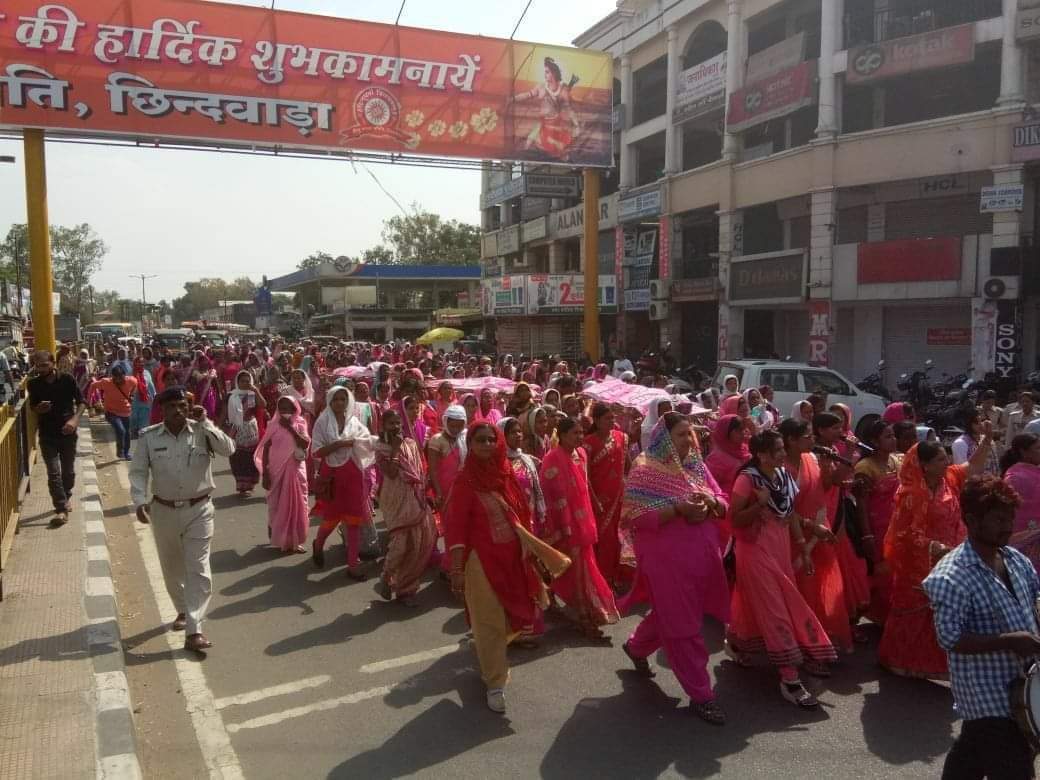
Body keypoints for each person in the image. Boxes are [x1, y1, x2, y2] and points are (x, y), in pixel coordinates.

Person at [444, 422, 570, 714]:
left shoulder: (506, 475)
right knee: (488, 621)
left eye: (491, 440)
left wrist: (531, 551)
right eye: (480, 440)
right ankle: (495, 682)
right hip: (481, 563)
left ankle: (490, 657)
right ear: (470, 444)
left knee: (512, 616)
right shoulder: (465, 481)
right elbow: (456, 526)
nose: (487, 445)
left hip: (513, 558)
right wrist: (457, 568)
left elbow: (522, 516)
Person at [923, 475, 1040, 780]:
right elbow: (950, 637)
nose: (1008, 525)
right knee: (1014, 767)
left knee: (971, 754)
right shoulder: (950, 576)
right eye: (999, 518)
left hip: (1022, 687)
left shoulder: (1015, 560)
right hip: (985, 693)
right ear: (972, 521)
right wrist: (1010, 640)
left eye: (1011, 517)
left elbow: (1035, 600)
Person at [618, 412, 731, 725]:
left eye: (691, 434)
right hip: (665, 562)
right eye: (682, 434)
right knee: (684, 628)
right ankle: (702, 695)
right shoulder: (645, 468)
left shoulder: (696, 464)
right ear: (665, 438)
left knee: (673, 614)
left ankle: (636, 647)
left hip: (701, 561)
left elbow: (722, 498)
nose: (689, 440)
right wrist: (678, 509)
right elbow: (635, 517)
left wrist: (710, 503)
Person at [726, 431, 836, 709]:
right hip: (754, 552)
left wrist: (802, 545)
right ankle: (789, 678)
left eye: (780, 448)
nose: (781, 453)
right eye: (776, 449)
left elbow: (790, 515)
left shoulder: (784, 476)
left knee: (767, 604)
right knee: (777, 611)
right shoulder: (747, 479)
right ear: (761, 454)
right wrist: (759, 504)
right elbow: (735, 519)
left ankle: (737, 642)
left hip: (780, 550)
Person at [879, 423, 995, 680]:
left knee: (946, 611)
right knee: (917, 611)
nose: (947, 462)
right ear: (925, 466)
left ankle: (938, 665)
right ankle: (901, 661)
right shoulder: (911, 494)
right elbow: (903, 532)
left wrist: (986, 440)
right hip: (918, 561)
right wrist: (932, 547)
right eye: (941, 459)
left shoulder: (949, 479)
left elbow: (973, 466)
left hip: (949, 556)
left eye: (946, 458)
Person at [129, 386, 236, 655]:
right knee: (172, 568)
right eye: (172, 406)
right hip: (163, 511)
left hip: (199, 509)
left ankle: (194, 629)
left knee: (198, 569)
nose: (178, 411)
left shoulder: (202, 430)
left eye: (182, 405)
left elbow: (229, 449)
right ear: (162, 410)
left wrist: (207, 422)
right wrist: (140, 500)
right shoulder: (149, 437)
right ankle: (182, 609)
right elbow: (139, 471)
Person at [540, 417, 620, 641]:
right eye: (574, 433)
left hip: (583, 520)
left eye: (581, 433)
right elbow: (551, 496)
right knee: (573, 570)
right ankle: (584, 615)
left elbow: (584, 486)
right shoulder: (552, 459)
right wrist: (564, 524)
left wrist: (593, 506)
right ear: (563, 435)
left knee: (583, 567)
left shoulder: (582, 454)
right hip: (564, 523)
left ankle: (582, 611)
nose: (579, 437)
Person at [781, 418, 849, 656]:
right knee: (798, 591)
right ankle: (801, 643)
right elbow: (784, 512)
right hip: (791, 537)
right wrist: (812, 528)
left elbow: (827, 487)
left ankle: (817, 640)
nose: (812, 440)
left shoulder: (811, 459)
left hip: (819, 532)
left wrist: (828, 464)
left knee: (820, 587)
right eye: (807, 436)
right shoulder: (780, 469)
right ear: (790, 440)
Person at [310, 387, 377, 579]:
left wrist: (384, 443)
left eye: (343, 399)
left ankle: (353, 566)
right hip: (332, 476)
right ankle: (318, 544)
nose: (340, 403)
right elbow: (316, 452)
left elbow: (367, 441)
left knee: (354, 522)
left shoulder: (354, 421)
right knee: (331, 518)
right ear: (330, 401)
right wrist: (339, 444)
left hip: (354, 475)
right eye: (336, 399)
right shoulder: (322, 422)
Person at [375, 409, 436, 607]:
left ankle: (406, 589)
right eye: (391, 424)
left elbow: (419, 471)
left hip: (415, 497)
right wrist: (394, 449)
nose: (395, 427)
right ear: (382, 426)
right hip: (395, 499)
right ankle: (386, 576)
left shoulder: (410, 443)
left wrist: (426, 493)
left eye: (398, 424)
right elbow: (391, 473)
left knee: (418, 543)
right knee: (400, 544)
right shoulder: (381, 447)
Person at [853, 420, 903, 624]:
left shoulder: (895, 461)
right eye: (888, 436)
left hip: (896, 525)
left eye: (893, 435)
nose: (893, 440)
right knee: (882, 573)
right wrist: (867, 534)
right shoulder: (865, 467)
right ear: (874, 440)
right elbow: (862, 504)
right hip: (877, 527)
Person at [27, 351, 85, 524]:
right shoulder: (33, 384)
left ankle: (65, 497)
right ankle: (61, 509)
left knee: (68, 472)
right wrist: (39, 408)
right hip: (47, 434)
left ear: (53, 363)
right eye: (38, 365)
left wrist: (74, 420)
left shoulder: (67, 379)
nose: (41, 369)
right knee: (53, 473)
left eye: (44, 365)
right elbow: (32, 406)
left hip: (67, 433)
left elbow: (82, 401)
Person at [583, 403, 631, 588]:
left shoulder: (621, 438)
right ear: (596, 420)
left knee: (618, 538)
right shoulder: (588, 443)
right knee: (603, 540)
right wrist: (594, 500)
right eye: (607, 418)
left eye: (613, 418)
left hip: (619, 496)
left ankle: (615, 576)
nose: (612, 421)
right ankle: (600, 579)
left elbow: (628, 465)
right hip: (599, 499)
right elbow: (585, 475)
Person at [257, 395, 311, 554]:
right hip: (275, 470)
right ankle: (277, 534)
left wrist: (290, 428)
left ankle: (295, 541)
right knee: (276, 502)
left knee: (299, 503)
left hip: (296, 468)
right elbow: (266, 449)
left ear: (295, 409)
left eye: (289, 408)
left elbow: (305, 443)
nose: (285, 411)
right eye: (282, 408)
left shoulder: (301, 423)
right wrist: (265, 472)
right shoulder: (272, 425)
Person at [1000, 433, 1040, 569]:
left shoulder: (1033, 472)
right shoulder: (1014, 477)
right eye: (1038, 448)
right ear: (1024, 452)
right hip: (1022, 542)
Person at [224, 370, 266, 497]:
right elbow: (224, 412)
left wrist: (255, 390)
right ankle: (241, 485)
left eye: (248, 381)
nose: (245, 383)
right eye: (243, 381)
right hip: (236, 428)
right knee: (237, 457)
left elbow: (263, 405)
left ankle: (249, 484)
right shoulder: (231, 395)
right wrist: (221, 428)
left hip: (250, 428)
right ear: (237, 382)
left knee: (250, 457)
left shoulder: (252, 395)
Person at [88, 365, 138, 461]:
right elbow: (92, 386)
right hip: (111, 412)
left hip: (126, 411)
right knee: (121, 430)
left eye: (121, 377)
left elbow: (136, 384)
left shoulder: (131, 380)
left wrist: (131, 394)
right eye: (116, 377)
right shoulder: (106, 382)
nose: (119, 380)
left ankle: (126, 453)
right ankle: (120, 451)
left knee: (127, 433)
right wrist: (88, 401)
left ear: (124, 375)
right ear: (113, 377)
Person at [952, 408, 1000, 476]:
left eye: (982, 421)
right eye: (976, 422)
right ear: (969, 424)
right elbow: (961, 470)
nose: (981, 425)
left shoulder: (989, 440)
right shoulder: (960, 443)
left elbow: (995, 464)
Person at [129, 356, 156, 439]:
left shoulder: (147, 373)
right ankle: (134, 431)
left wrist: (155, 397)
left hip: (145, 402)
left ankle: (143, 437)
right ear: (134, 363)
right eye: (138, 362)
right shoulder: (130, 374)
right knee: (133, 419)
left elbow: (151, 386)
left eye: (142, 362)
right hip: (134, 403)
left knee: (144, 426)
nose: (140, 364)